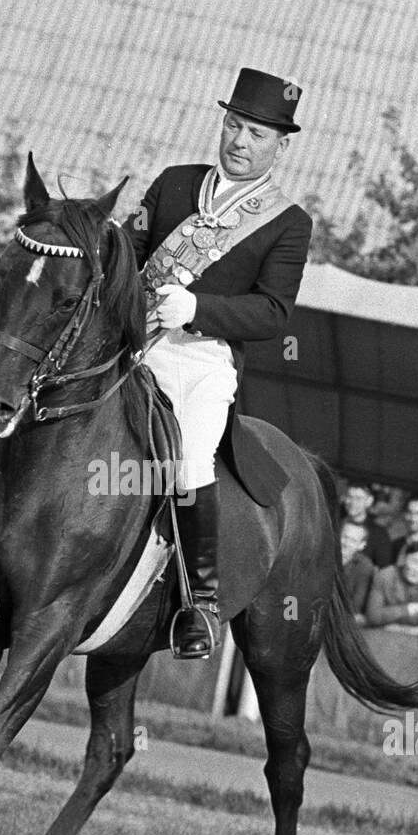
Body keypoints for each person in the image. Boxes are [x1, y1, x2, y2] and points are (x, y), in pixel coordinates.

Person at [125, 67, 313, 659]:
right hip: (133, 342)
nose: (240, 141)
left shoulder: (287, 222)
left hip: (201, 359)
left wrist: (197, 307)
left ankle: (198, 604)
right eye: (234, 125)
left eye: (257, 134)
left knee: (189, 463)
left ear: (279, 147)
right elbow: (128, 253)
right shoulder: (175, 182)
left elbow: (272, 312)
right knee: (43, 398)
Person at [365, 548, 418, 628]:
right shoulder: (385, 575)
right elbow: (373, 616)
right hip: (382, 632)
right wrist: (406, 609)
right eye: (414, 562)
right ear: (404, 559)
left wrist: (387, 616)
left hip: (413, 634)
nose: (417, 569)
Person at [341, 482, 393, 568]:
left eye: (358, 498)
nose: (353, 502)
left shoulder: (379, 535)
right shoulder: (334, 524)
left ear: (369, 501)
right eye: (350, 497)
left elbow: (383, 569)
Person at [339, 519, 375, 619]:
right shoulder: (320, 555)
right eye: (345, 537)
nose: (346, 543)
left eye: (353, 540)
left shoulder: (364, 566)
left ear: (361, 545)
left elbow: (355, 607)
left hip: (341, 619)